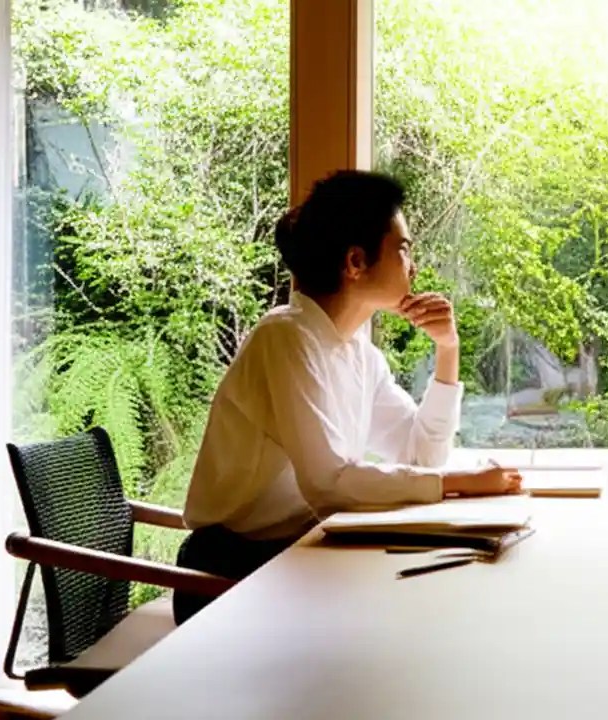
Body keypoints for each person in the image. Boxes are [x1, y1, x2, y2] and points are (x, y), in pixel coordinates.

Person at [174, 170, 520, 623]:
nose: (412, 265)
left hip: (300, 557)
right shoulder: (284, 338)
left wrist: (447, 350)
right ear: (355, 262)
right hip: (232, 577)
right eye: (402, 249)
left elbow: (423, 454)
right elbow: (330, 483)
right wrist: (461, 483)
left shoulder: (358, 352)